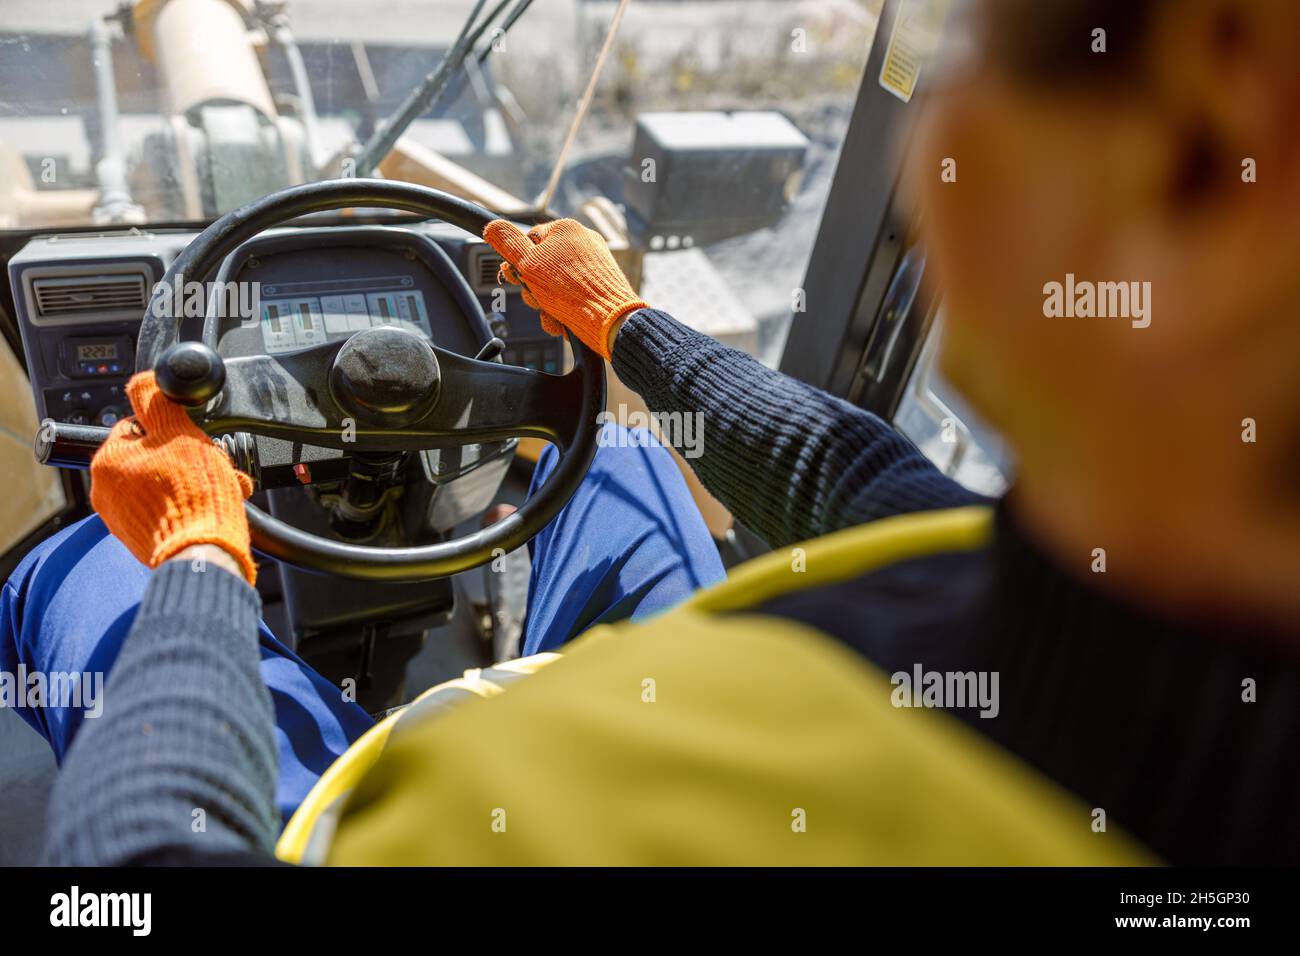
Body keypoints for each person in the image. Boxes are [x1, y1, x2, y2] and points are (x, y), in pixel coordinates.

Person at [4, 0, 1297, 865]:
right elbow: (863, 485)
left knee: (77, 570)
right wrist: (621, 326)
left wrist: (194, 559)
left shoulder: (529, 818)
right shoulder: (1089, 594)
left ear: (1204, 150)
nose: (927, 152)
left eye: (970, 60)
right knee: (617, 458)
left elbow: (139, 864)